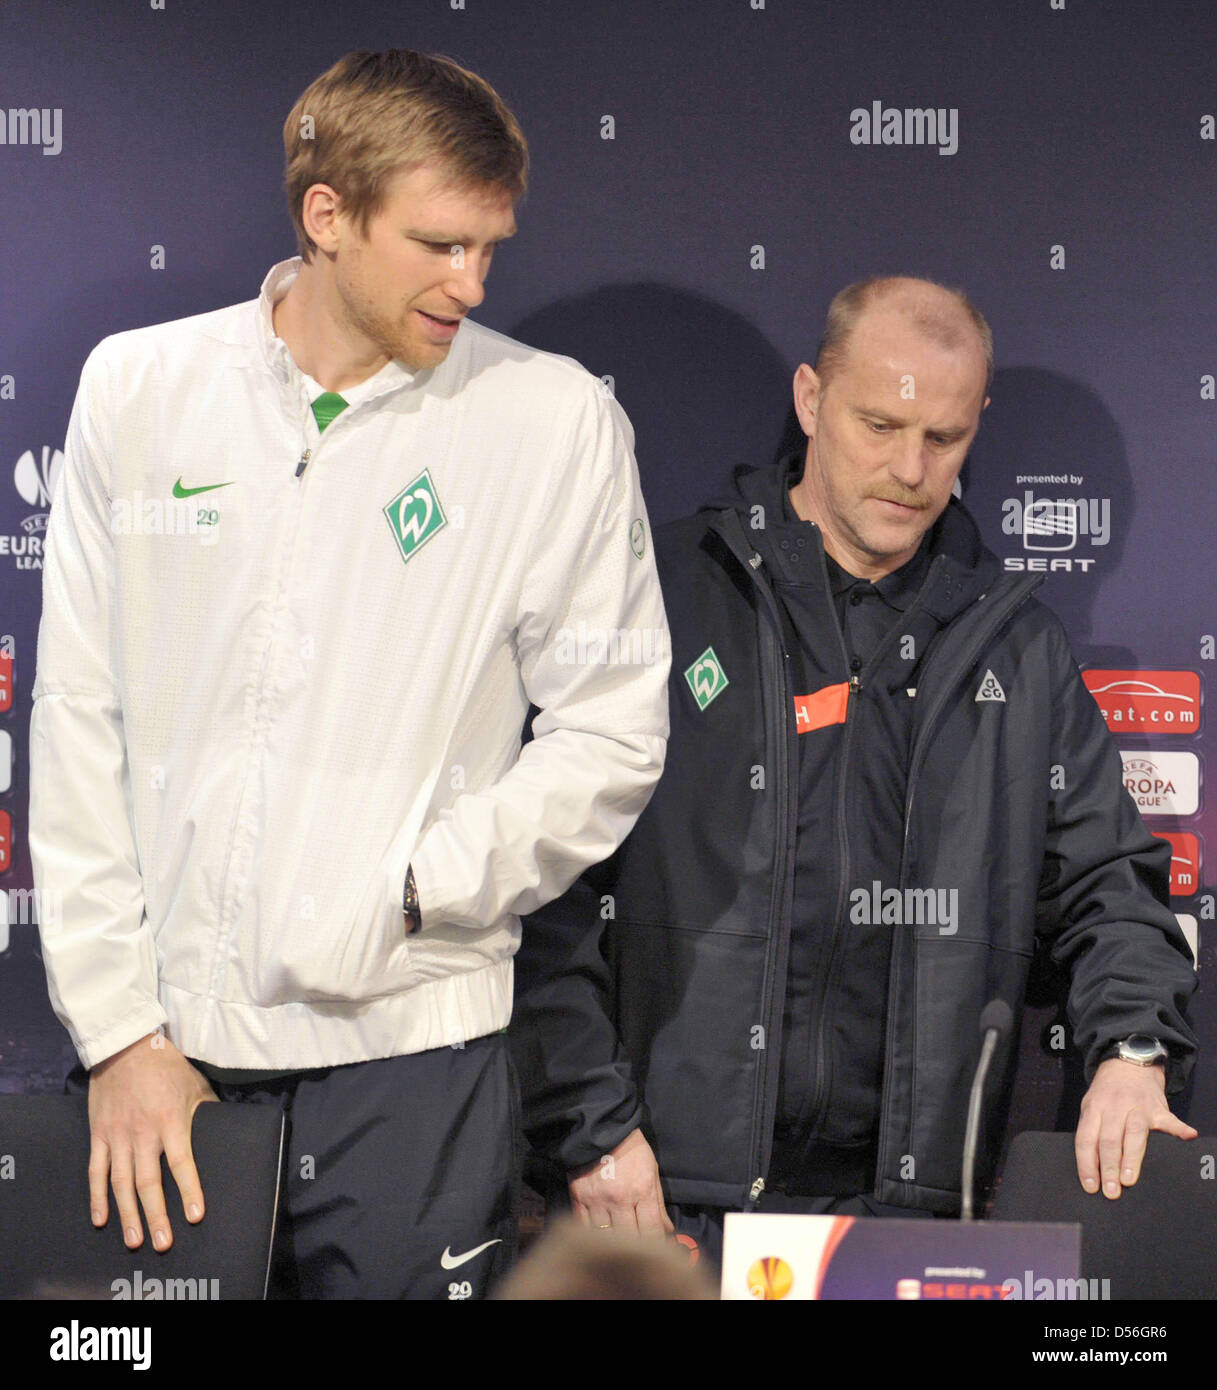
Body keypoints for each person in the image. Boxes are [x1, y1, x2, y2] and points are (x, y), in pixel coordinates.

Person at [29, 48, 669, 1299]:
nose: (470, 282)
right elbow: (76, 721)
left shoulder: (552, 420)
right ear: (326, 216)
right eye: (437, 244)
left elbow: (612, 728)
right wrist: (116, 1034)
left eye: (489, 247)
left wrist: (421, 886)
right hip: (167, 1060)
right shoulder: (141, 388)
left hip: (416, 1062)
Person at [510, 275, 1197, 1271]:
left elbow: (1111, 891)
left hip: (912, 1224)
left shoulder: (1018, 649)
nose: (909, 468)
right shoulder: (657, 596)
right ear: (809, 398)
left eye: (943, 437)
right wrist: (591, 1130)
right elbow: (542, 891)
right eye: (879, 424)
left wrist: (1133, 1052)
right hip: (664, 1203)